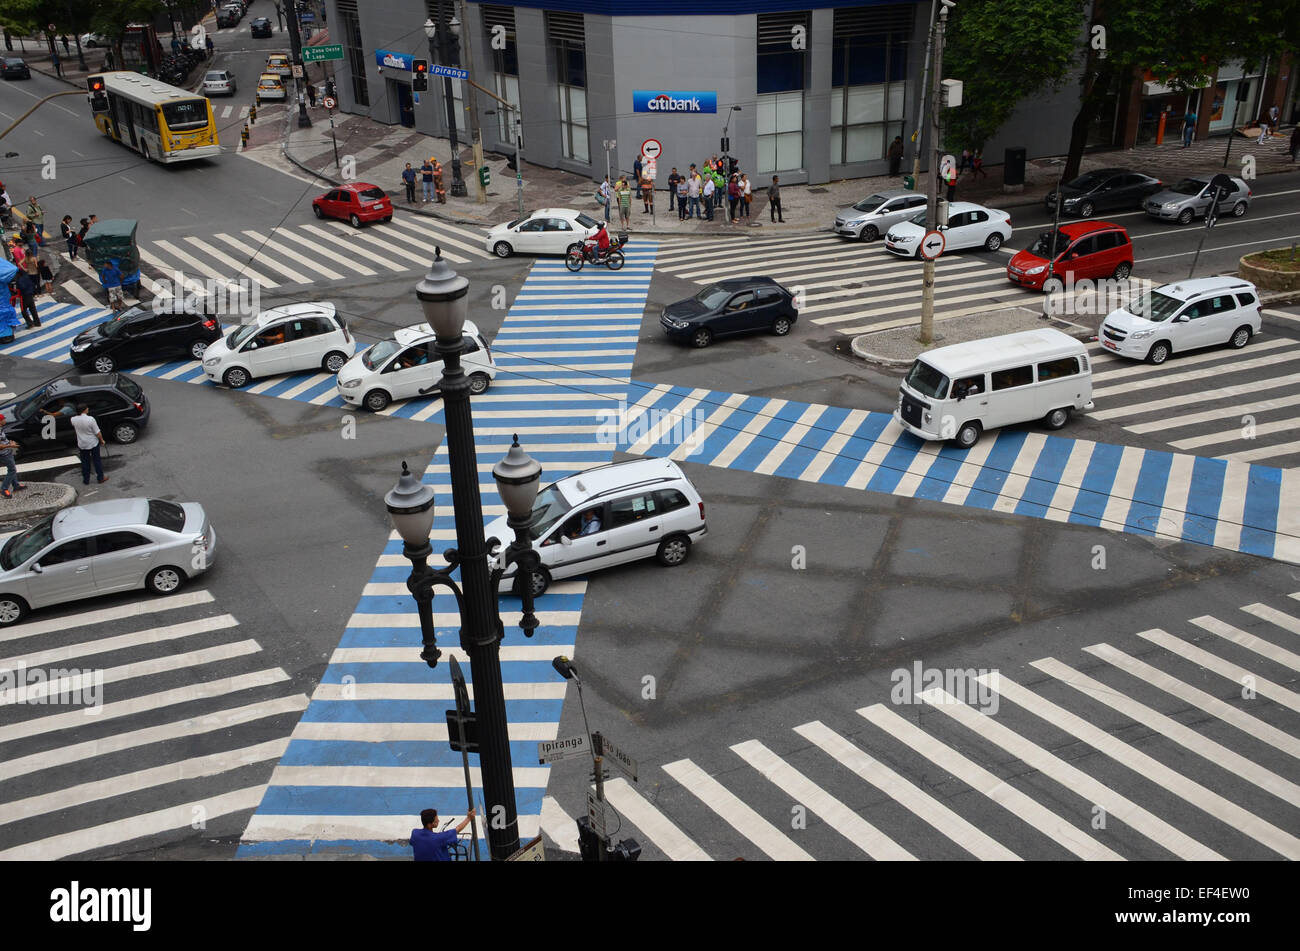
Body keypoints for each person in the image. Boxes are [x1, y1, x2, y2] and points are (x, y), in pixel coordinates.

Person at [410, 807, 475, 862]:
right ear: (430, 824)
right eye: (436, 820)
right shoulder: (439, 838)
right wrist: (468, 818)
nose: (438, 820)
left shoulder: (415, 833)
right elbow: (457, 830)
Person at [71, 404, 108, 486]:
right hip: (92, 443)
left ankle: (86, 480)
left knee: (85, 462)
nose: (88, 409)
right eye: (87, 408)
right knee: (96, 460)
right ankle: (100, 478)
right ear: (84, 410)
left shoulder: (73, 419)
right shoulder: (90, 419)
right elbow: (97, 432)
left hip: (82, 444)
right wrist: (102, 440)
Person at [0, 420, 25, 500]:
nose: (5, 420)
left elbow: (3, 440)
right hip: (4, 454)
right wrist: (10, 445)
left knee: (12, 469)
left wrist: (9, 442)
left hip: (7, 452)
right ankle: (4, 489)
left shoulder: (1, 428)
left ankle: (16, 485)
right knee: (12, 470)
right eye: (3, 419)